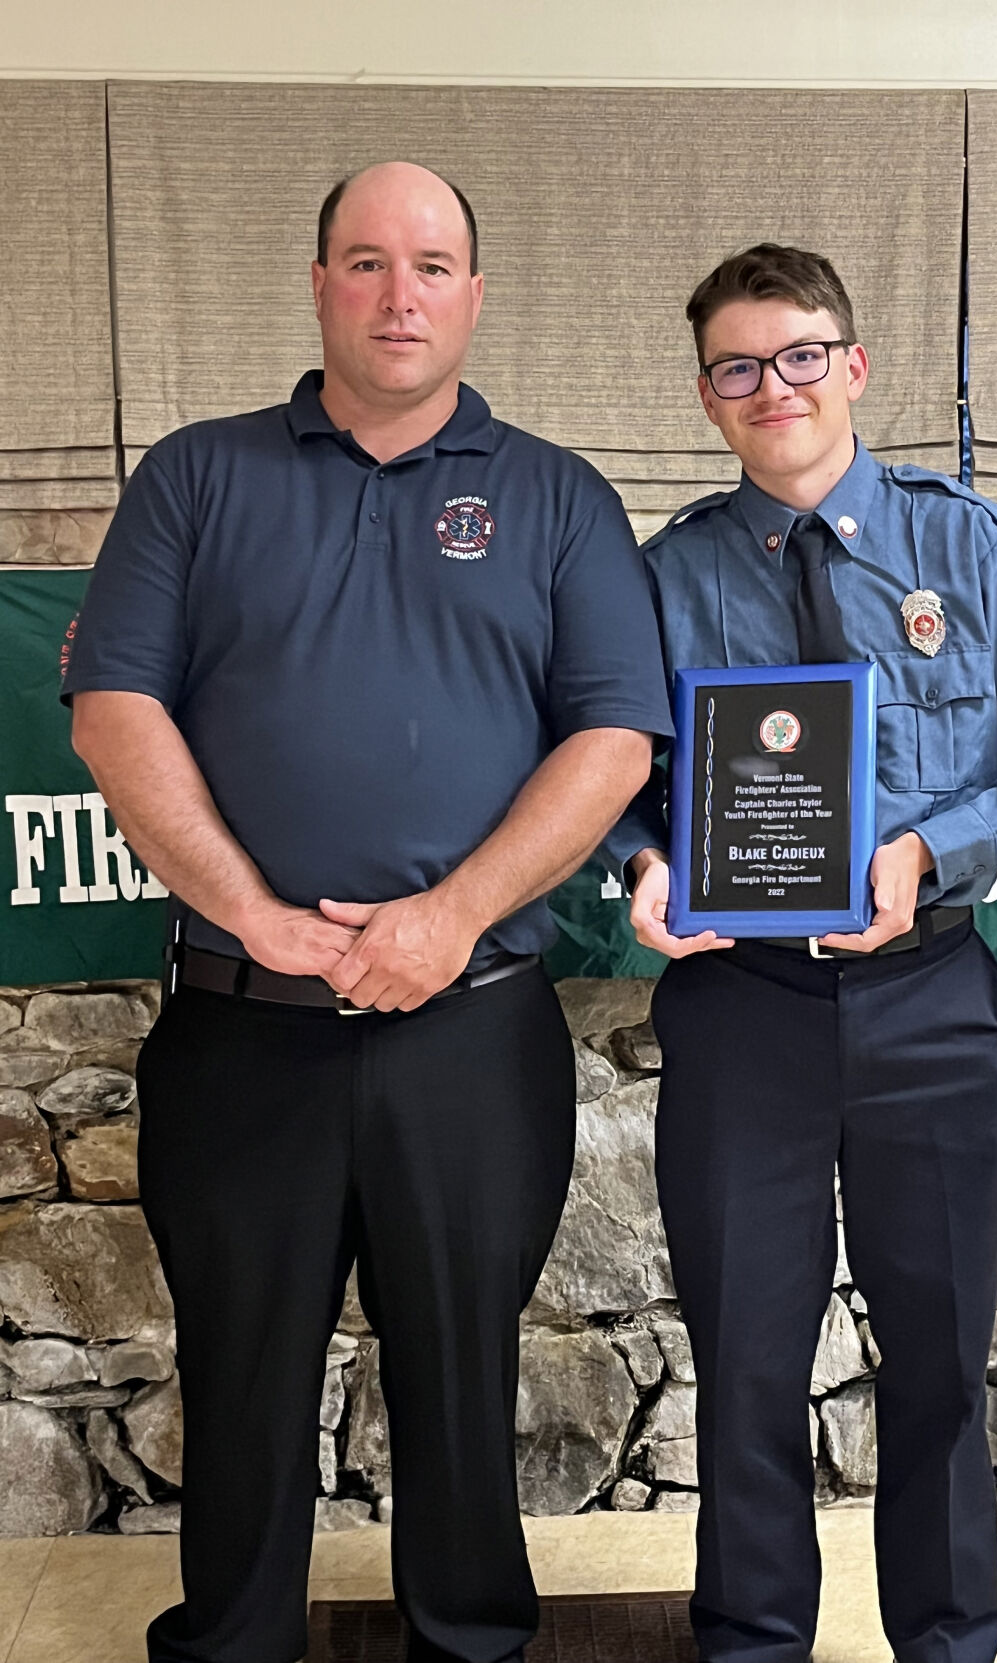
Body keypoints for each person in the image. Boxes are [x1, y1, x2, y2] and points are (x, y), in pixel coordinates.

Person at [63, 161, 673, 1663]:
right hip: (241, 1025)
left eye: (433, 264)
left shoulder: (555, 496)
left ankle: (466, 1640)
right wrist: (258, 915)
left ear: (475, 293)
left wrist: (451, 916)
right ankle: (236, 1643)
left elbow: (615, 739)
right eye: (367, 261)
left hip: (469, 1038)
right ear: (321, 282)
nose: (401, 293)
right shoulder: (195, 477)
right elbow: (112, 706)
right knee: (245, 1368)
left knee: (464, 1374)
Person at [610, 244, 997, 1663]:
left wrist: (926, 852)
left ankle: (950, 1641)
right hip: (741, 1008)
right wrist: (643, 864)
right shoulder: (663, 580)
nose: (770, 385)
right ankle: (755, 1640)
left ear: (853, 367)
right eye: (736, 365)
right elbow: (609, 771)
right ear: (706, 395)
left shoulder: (967, 546)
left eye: (798, 354)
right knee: (749, 1367)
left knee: (942, 1367)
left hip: (927, 1000)